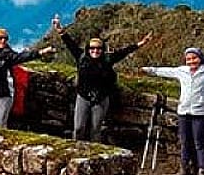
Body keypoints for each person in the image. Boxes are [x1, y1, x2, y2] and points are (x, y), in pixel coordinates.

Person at [52, 14, 152, 142]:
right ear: (88, 49)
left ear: (102, 50)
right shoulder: (81, 57)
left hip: (101, 98)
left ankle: (94, 154)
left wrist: (141, 43)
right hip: (83, 96)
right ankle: (76, 149)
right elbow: (69, 42)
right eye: (92, 48)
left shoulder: (108, 59)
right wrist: (59, 29)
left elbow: (124, 52)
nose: (95, 51)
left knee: (96, 129)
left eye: (98, 48)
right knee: (78, 127)